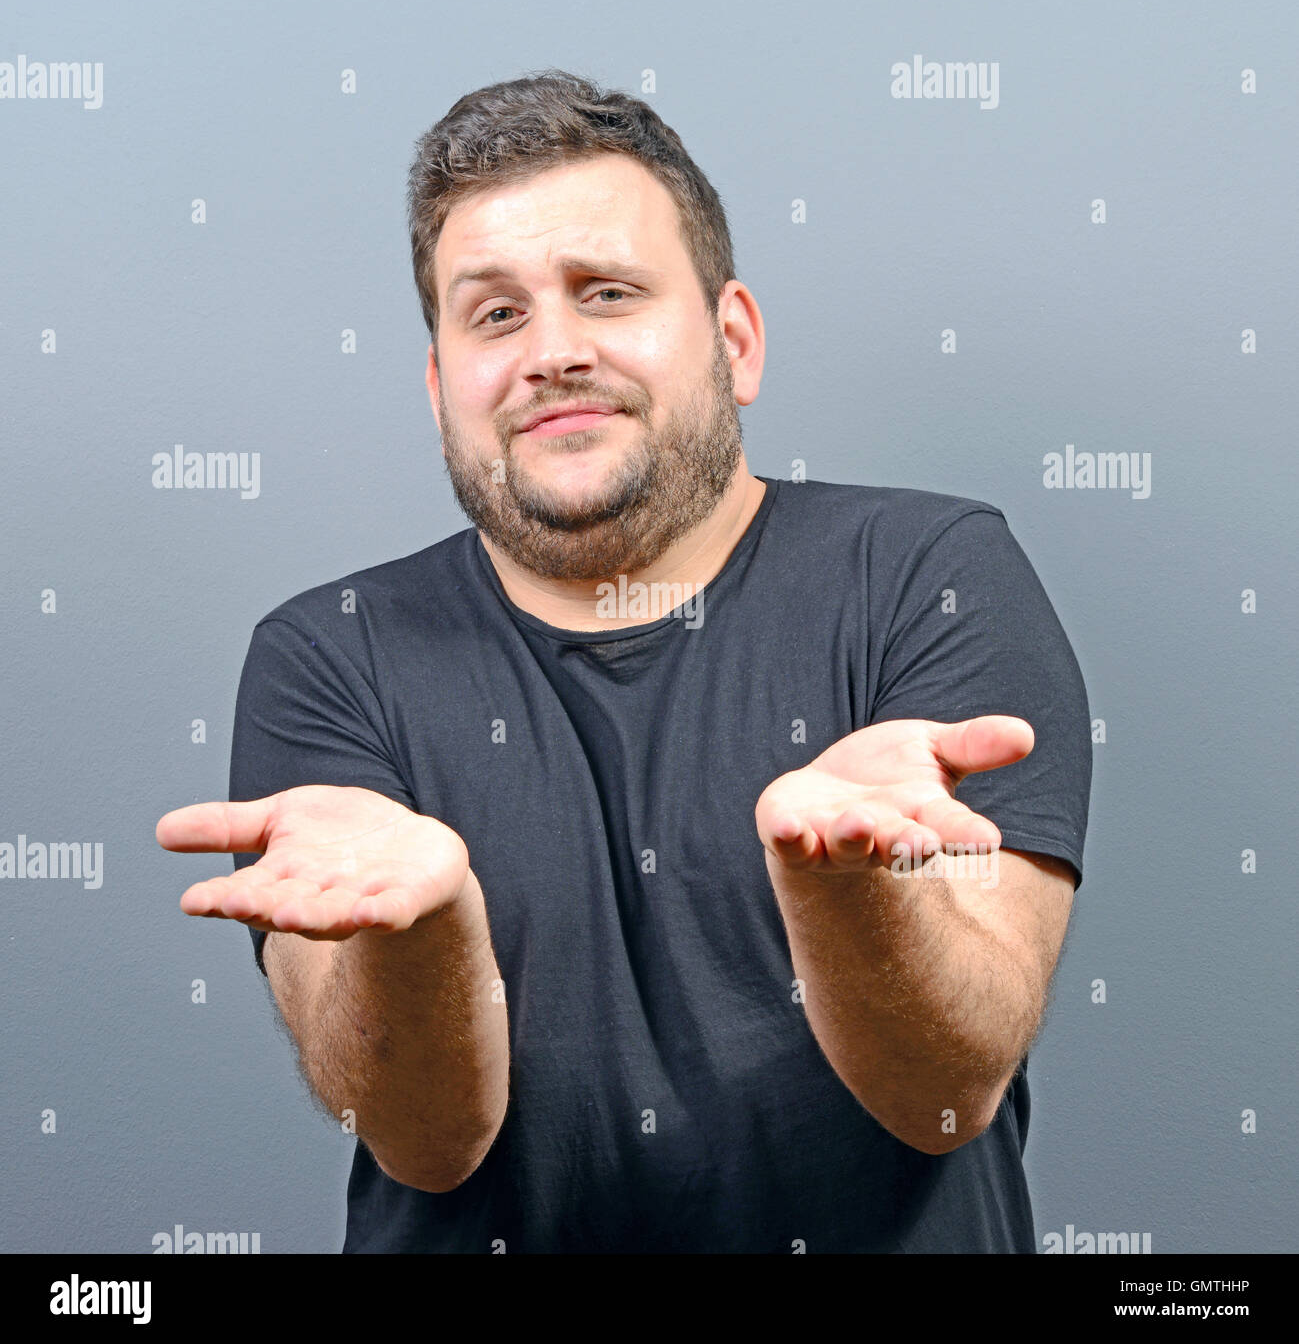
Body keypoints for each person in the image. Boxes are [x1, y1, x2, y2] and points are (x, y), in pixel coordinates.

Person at [156, 70, 1091, 1253]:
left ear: (734, 341)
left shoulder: (930, 574)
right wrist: (425, 929)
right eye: (494, 314)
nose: (552, 352)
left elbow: (948, 1087)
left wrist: (842, 886)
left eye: (606, 293)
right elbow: (423, 1140)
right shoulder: (327, 656)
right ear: (442, 387)